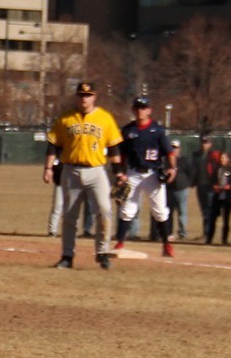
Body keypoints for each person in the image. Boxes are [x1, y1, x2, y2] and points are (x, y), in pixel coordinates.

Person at [44, 81, 123, 269]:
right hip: (71, 170)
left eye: (88, 95)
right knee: (70, 215)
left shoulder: (105, 118)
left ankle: (102, 253)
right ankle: (67, 256)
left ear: (94, 97)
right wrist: (48, 168)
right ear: (76, 97)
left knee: (104, 210)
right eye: (81, 95)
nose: (84, 98)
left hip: (96, 171)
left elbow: (114, 148)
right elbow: (53, 145)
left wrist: (119, 172)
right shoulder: (65, 118)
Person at [113, 96, 178, 258]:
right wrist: (120, 173)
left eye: (143, 108)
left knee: (160, 212)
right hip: (133, 173)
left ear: (149, 110)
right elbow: (121, 155)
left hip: (153, 174)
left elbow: (170, 152)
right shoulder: (128, 131)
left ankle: (166, 245)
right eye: (137, 108)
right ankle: (120, 242)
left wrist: (172, 168)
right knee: (127, 209)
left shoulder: (158, 131)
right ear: (133, 110)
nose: (140, 111)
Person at [207, 147, 231, 245]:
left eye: (224, 157)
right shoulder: (217, 169)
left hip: (228, 197)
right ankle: (209, 239)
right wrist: (215, 186)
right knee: (213, 218)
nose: (222, 159)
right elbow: (211, 181)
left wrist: (229, 186)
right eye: (221, 157)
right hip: (217, 197)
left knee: (226, 219)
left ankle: (224, 240)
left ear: (228, 159)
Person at [168, 139, 194, 240]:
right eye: (172, 147)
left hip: (181, 189)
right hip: (169, 189)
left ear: (179, 149)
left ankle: (182, 233)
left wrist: (187, 183)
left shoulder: (184, 160)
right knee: (168, 212)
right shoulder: (167, 159)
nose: (174, 150)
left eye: (176, 148)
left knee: (182, 212)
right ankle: (169, 232)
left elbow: (191, 172)